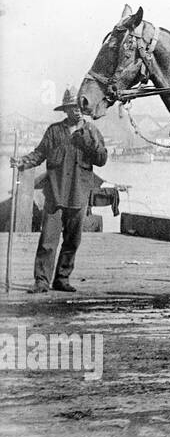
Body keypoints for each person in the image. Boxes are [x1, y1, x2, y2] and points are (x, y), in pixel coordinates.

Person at [13, 88, 108, 293]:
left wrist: (90, 141)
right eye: (73, 107)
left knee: (72, 240)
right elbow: (39, 154)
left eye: (80, 107)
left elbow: (102, 160)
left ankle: (62, 278)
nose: (77, 111)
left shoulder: (92, 131)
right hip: (54, 194)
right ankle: (41, 281)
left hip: (79, 194)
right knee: (48, 240)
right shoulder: (54, 131)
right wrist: (22, 162)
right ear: (66, 110)